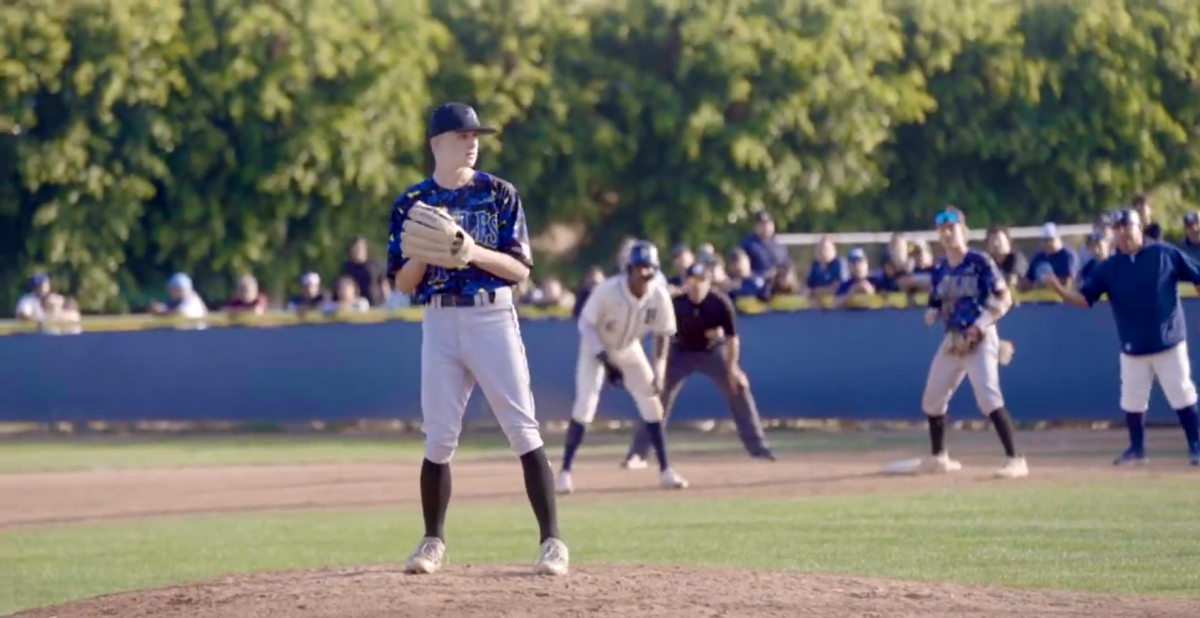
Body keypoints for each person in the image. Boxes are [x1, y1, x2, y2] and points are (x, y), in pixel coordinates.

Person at [386, 102, 566, 576]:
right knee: (438, 435)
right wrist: (425, 251)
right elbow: (402, 283)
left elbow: (520, 270)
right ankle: (432, 541)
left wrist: (471, 251)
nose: (472, 143)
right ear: (437, 143)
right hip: (439, 321)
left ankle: (552, 542)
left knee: (522, 428)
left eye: (475, 136)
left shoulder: (498, 193)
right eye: (462, 135)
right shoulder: (412, 202)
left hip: (491, 316)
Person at [1041, 209, 1200, 466]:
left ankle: (1195, 445)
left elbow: (1197, 275)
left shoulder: (1163, 253)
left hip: (1168, 341)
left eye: (1127, 226)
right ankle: (1137, 449)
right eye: (1117, 228)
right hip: (1133, 344)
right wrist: (1058, 289)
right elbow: (1085, 299)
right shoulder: (1109, 267)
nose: (1122, 233)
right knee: (1132, 399)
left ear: (1139, 227)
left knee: (1181, 392)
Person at [556, 241, 688, 494]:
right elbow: (586, 324)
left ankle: (666, 470)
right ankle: (564, 472)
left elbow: (662, 333)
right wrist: (604, 359)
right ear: (628, 269)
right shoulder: (608, 290)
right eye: (638, 267)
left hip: (628, 347)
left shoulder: (658, 295)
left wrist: (659, 369)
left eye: (648, 267)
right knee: (585, 405)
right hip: (596, 348)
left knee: (652, 403)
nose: (643, 273)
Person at [623, 262, 774, 468]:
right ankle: (638, 454)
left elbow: (731, 339)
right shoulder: (674, 303)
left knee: (738, 386)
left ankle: (758, 449)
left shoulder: (719, 302)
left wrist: (732, 369)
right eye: (691, 281)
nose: (696, 286)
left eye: (701, 281)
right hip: (680, 351)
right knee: (656, 395)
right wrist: (659, 369)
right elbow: (660, 336)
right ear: (685, 283)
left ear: (709, 283)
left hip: (711, 351)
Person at [914, 207, 1028, 478]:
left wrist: (979, 326)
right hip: (953, 340)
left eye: (952, 228)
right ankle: (938, 457)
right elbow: (935, 300)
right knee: (932, 399)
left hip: (980, 337)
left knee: (988, 398)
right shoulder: (940, 266)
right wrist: (931, 312)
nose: (947, 233)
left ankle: (1016, 459)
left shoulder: (979, 261)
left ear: (964, 231)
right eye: (942, 229)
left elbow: (1004, 298)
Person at [1021, 223, 1078, 291]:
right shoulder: (1038, 257)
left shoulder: (1068, 256)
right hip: (1039, 296)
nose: (1048, 243)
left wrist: (1048, 284)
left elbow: (1068, 283)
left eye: (1051, 239)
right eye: (1045, 240)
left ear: (1058, 238)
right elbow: (1028, 280)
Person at [739, 211, 789, 278]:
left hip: (778, 282)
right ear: (755, 226)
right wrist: (765, 275)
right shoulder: (747, 245)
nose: (766, 227)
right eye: (762, 224)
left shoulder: (778, 246)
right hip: (756, 282)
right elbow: (742, 271)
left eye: (768, 224)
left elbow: (787, 265)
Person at [341, 235, 385, 306]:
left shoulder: (374, 265)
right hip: (355, 304)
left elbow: (383, 283)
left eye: (361, 247)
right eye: (356, 247)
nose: (358, 250)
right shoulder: (346, 268)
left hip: (376, 302)